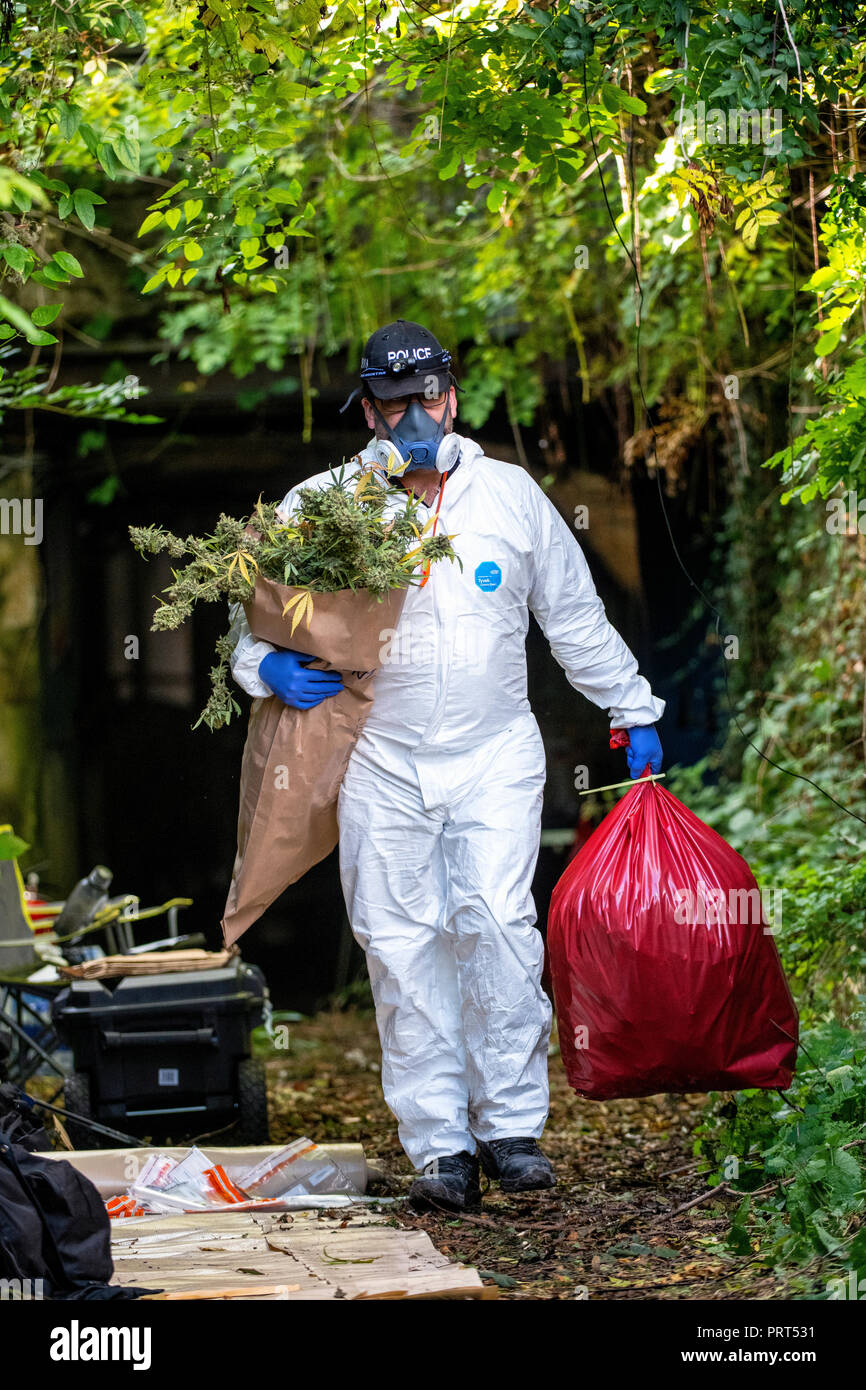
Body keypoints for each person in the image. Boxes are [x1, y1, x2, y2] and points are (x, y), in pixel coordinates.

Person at [229, 320, 665, 1212]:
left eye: (430, 398)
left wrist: (634, 706)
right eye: (396, 406)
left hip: (495, 749)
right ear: (370, 415)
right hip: (378, 757)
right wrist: (266, 668)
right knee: (399, 940)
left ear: (452, 397)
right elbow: (256, 625)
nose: (417, 420)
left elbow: (574, 619)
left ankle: (510, 1129)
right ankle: (440, 1145)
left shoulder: (509, 497)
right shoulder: (327, 506)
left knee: (498, 926)